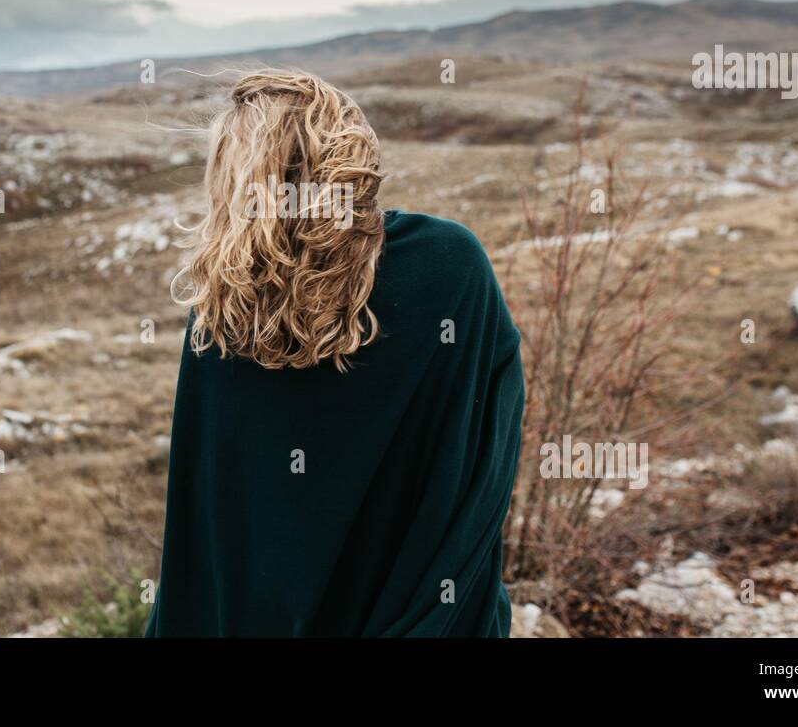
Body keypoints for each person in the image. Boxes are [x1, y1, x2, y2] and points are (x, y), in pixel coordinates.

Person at [146, 70, 524, 637]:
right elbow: (491, 449)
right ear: (352, 150)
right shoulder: (449, 266)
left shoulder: (218, 316)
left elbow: (203, 540)